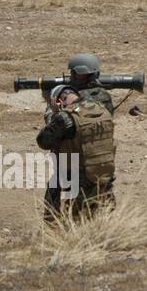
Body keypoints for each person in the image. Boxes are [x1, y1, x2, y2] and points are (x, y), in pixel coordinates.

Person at [36, 84, 116, 220]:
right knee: (103, 217)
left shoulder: (66, 117)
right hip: (105, 176)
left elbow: (43, 141)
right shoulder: (102, 110)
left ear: (60, 101)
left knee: (76, 221)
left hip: (79, 181)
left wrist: (54, 115)